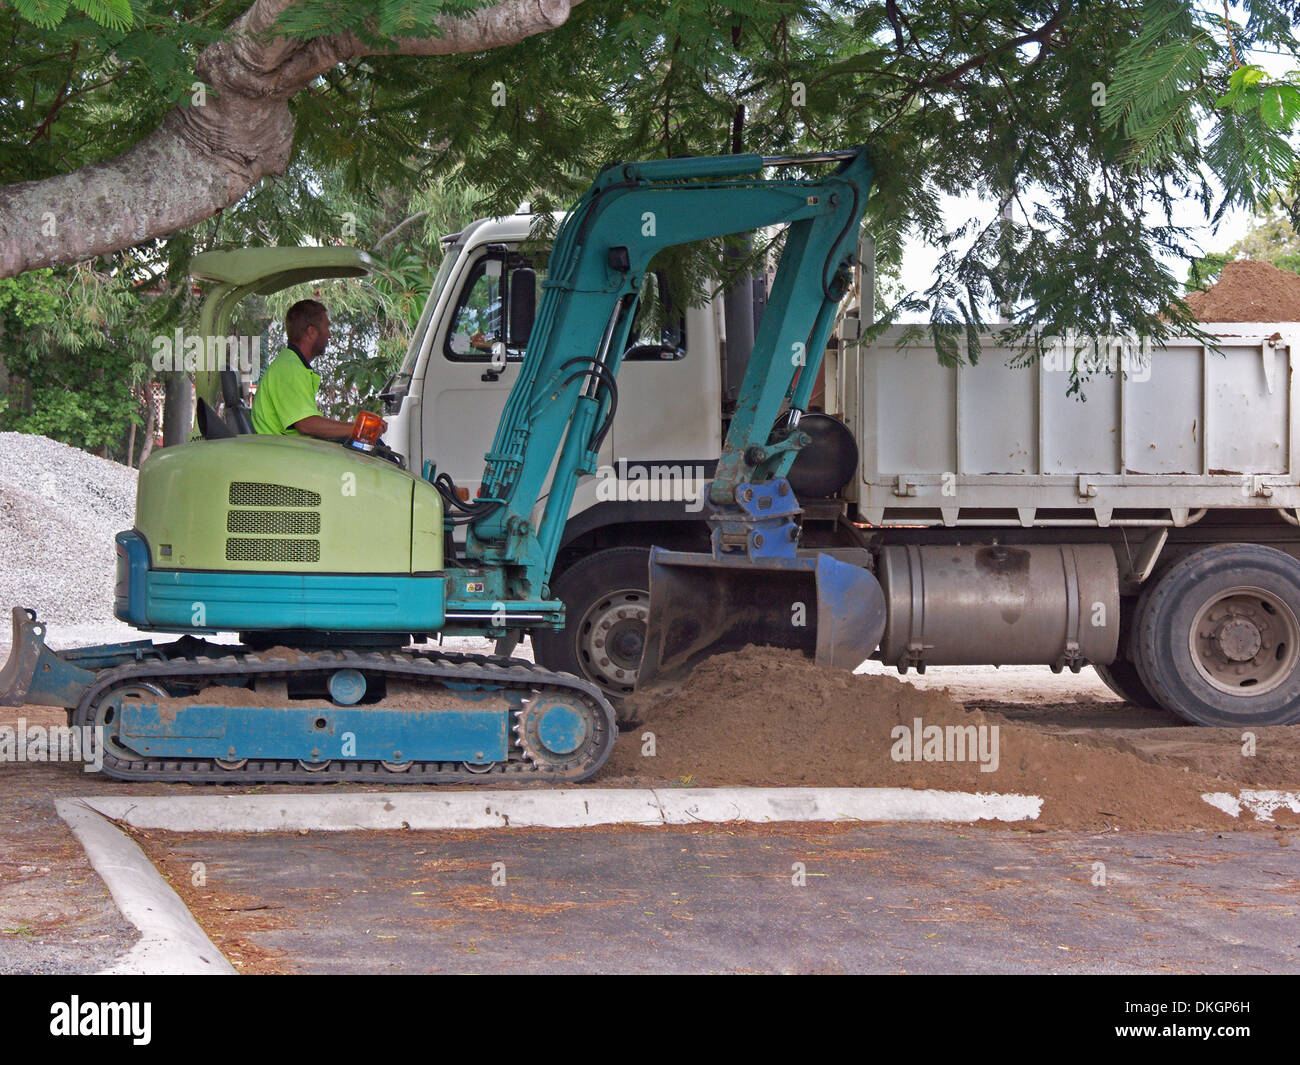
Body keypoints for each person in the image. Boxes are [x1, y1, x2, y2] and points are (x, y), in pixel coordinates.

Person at [251, 299, 386, 440]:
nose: (329, 335)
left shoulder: (292, 364)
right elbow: (306, 424)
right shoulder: (289, 369)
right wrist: (358, 428)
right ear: (311, 332)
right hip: (284, 455)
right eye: (326, 328)